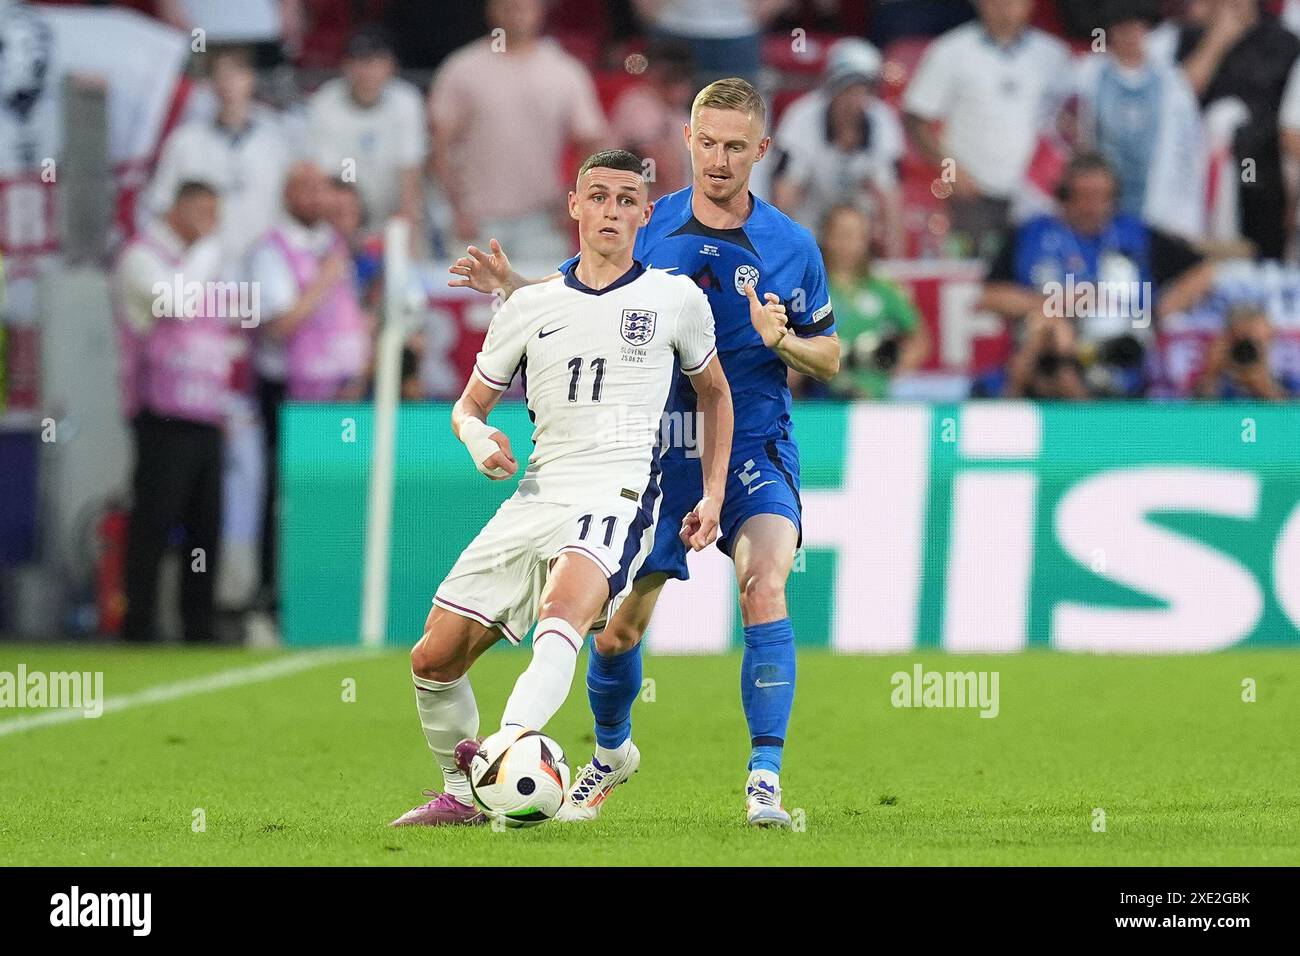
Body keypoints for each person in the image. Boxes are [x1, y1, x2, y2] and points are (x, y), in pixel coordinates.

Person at [450, 78, 841, 827]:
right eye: (707, 143)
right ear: (687, 142)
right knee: (618, 629)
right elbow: (584, 300)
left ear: (760, 151)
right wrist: (513, 287)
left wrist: (784, 341)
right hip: (653, 455)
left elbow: (832, 354)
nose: (719, 159)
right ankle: (611, 753)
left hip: (754, 443)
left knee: (764, 581)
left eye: (736, 146)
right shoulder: (648, 223)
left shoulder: (793, 247)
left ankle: (764, 779)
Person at [391, 149, 735, 827]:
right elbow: (467, 407)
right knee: (433, 657)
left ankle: (510, 755)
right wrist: (478, 438)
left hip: (619, 493)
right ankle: (461, 796)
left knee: (564, 612)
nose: (612, 210)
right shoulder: (528, 305)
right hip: (537, 494)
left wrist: (715, 492)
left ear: (644, 212)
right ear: (574, 206)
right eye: (598, 196)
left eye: (626, 199)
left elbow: (715, 393)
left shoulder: (674, 298)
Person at [977, 152, 1216, 398]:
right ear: (1064, 197)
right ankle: (1081, 416)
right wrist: (1054, 303)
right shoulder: (1031, 234)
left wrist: (1156, 314)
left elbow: (1203, 270)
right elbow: (989, 296)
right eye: (1085, 196)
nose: (1094, 206)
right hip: (1053, 352)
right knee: (1052, 331)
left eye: (1104, 197)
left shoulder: (1136, 233)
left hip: (1122, 351)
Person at [247, 161, 372, 610]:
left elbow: (354, 321)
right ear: (287, 196)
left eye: (321, 189)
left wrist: (357, 374)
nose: (317, 199)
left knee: (333, 493)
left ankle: (328, 592)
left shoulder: (334, 247)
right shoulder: (272, 251)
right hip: (289, 394)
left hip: (340, 392)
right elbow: (279, 324)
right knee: (286, 495)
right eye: (306, 190)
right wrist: (323, 279)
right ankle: (275, 596)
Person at [114, 181, 230, 643]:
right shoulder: (140, 258)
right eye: (203, 211)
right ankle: (137, 624)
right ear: (178, 209)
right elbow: (177, 303)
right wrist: (209, 248)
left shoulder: (200, 263)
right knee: (154, 520)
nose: (211, 222)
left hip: (205, 413)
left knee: (206, 524)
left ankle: (197, 626)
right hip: (161, 414)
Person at [428, 0, 610, 266]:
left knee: (543, 304)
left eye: (526, 6)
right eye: (509, 6)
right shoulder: (462, 69)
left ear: (540, 11)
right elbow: (440, 144)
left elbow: (593, 141)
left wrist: (573, 199)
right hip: (477, 221)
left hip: (542, 221)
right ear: (492, 10)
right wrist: (455, 209)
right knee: (479, 305)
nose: (517, 12)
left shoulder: (564, 71)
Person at [903, 0, 1071, 257]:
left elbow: (1070, 120)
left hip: (1037, 196)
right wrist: (950, 170)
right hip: (972, 195)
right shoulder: (952, 49)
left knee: (1034, 274)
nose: (1004, 6)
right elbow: (916, 119)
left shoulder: (1053, 55)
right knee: (970, 279)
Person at [142, 45, 293, 278]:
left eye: (236, 74)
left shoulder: (276, 142)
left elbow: (290, 207)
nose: (229, 84)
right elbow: (160, 205)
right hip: (202, 270)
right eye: (221, 75)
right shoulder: (185, 141)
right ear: (210, 84)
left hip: (266, 268)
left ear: (251, 79)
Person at [770, 38, 905, 255]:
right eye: (845, 90)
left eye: (860, 91)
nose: (852, 101)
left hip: (860, 231)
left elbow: (891, 199)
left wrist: (897, 265)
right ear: (830, 87)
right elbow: (785, 195)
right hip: (810, 227)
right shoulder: (800, 118)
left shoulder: (883, 122)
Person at [306, 26, 425, 239]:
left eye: (375, 62)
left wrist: (407, 230)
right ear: (345, 66)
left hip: (394, 215)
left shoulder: (406, 101)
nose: (367, 71)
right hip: (343, 216)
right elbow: (330, 176)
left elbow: (410, 170)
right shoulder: (326, 102)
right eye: (359, 62)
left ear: (390, 65)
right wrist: (350, 232)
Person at [813, 204, 927, 400]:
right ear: (826, 236)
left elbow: (919, 339)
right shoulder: (809, 288)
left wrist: (893, 367)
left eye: (855, 235)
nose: (847, 243)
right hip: (820, 399)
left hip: (873, 400)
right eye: (841, 234)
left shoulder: (883, 288)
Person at [1192, 305, 1300, 398]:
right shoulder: (1219, 382)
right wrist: (1211, 375)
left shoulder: (1289, 378)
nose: (1246, 350)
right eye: (1241, 340)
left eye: (1257, 342)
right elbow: (1196, 420)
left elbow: (1293, 420)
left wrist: (1263, 387)